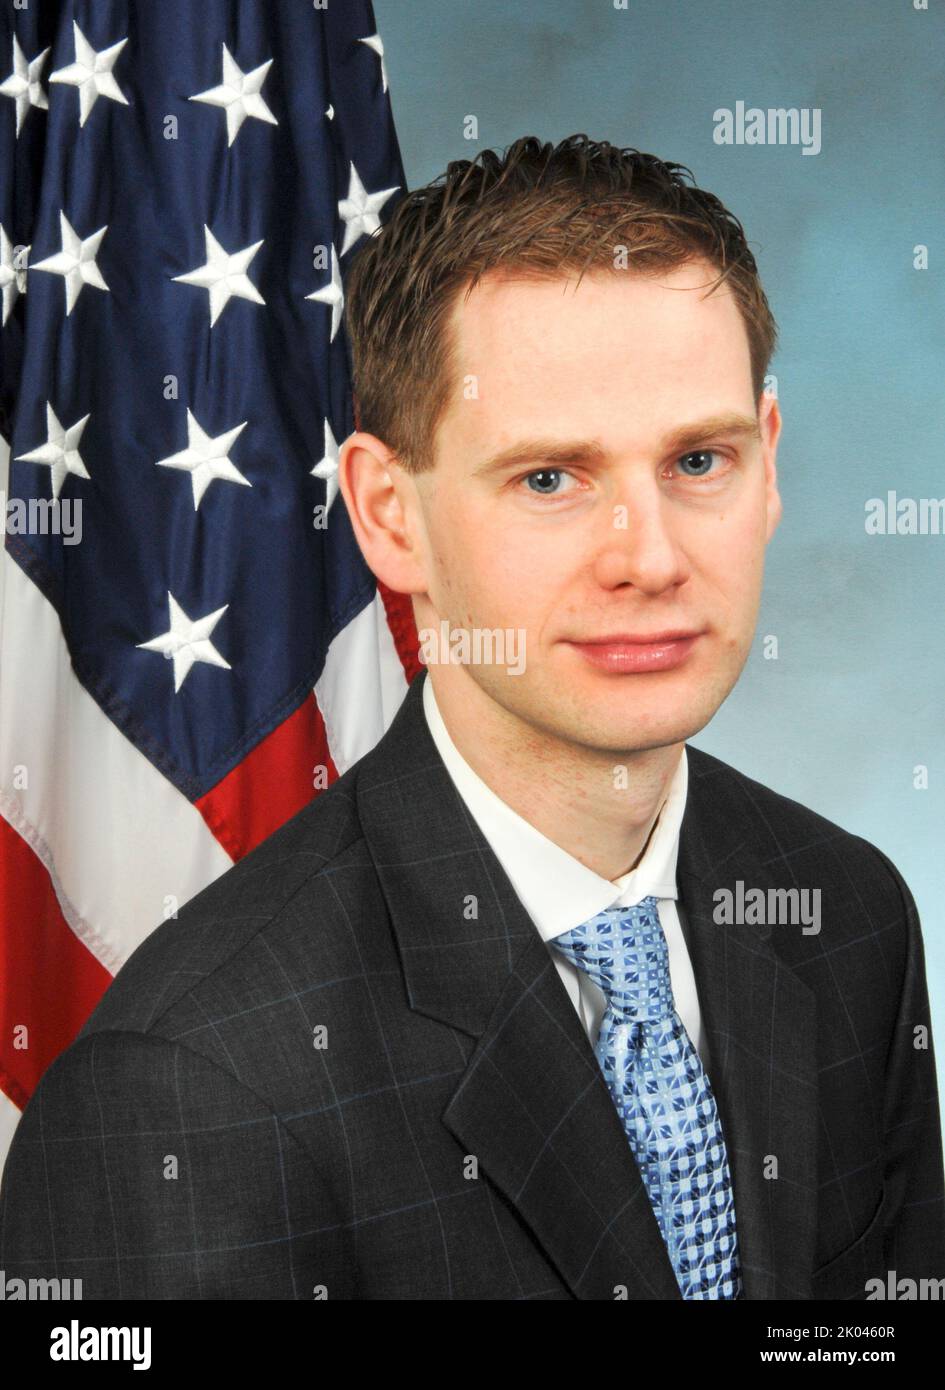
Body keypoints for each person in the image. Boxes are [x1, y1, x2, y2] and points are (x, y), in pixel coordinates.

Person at [1, 134, 942, 1300]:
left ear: (772, 464)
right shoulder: (191, 1084)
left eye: (700, 459)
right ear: (390, 517)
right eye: (551, 478)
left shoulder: (846, 915)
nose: (649, 557)